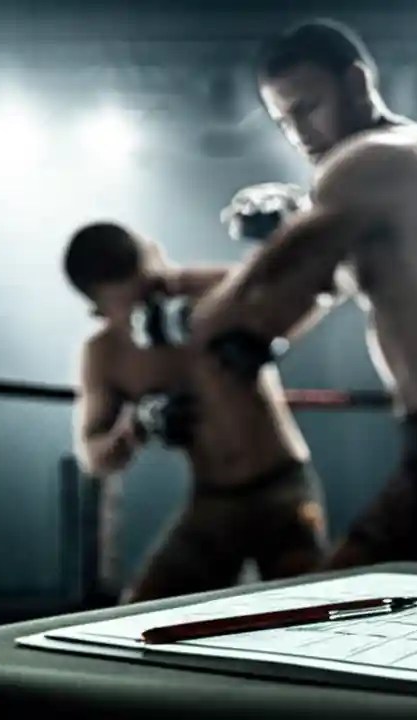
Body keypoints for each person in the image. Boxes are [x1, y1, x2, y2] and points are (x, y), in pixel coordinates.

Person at [184, 18, 417, 568]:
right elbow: (330, 281)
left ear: (357, 83)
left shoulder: (371, 159)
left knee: (337, 604)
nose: (299, 134)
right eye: (283, 120)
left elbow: (275, 269)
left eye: (307, 107)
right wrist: (252, 337)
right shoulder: (406, 154)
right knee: (403, 620)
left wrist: (200, 327)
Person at [64, 221, 328, 602]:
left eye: (153, 286)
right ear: (100, 309)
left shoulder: (214, 292)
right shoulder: (106, 354)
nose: (153, 305)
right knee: (140, 620)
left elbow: (315, 294)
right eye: (134, 303)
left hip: (282, 487)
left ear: (155, 257)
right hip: (213, 501)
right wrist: (137, 424)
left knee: (310, 611)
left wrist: (259, 333)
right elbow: (93, 456)